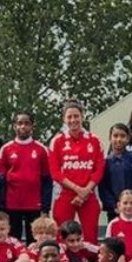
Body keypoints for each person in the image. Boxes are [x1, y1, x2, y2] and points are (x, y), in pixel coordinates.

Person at [48, 100, 105, 240]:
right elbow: (55, 172)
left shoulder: (95, 140)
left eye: (76, 116)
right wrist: (77, 189)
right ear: (64, 119)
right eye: (69, 117)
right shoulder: (57, 141)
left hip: (89, 194)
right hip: (64, 194)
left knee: (90, 236)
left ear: (82, 116)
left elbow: (99, 169)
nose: (73, 120)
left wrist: (85, 191)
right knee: (62, 236)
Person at [0, 112, 52, 238]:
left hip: (34, 205)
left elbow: (47, 180)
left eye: (27, 123)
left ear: (32, 126)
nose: (23, 126)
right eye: (20, 123)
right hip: (12, 204)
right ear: (14, 126)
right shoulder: (6, 149)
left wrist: (45, 208)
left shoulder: (41, 149)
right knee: (13, 239)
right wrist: (1, 206)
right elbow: (0, 180)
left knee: (35, 239)